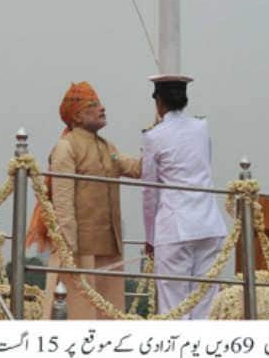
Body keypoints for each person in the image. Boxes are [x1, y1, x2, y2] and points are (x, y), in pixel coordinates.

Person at [26, 81, 141, 319]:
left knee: (109, 314)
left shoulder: (107, 146)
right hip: (78, 251)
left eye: (100, 104)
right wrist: (69, 250)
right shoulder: (65, 148)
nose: (102, 109)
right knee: (79, 313)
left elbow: (135, 168)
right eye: (94, 105)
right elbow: (63, 204)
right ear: (77, 116)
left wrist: (157, 140)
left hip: (109, 247)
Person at [141, 74, 226, 319]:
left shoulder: (153, 137)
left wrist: (150, 237)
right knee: (203, 306)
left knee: (174, 308)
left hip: (175, 228)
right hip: (209, 224)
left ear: (158, 102)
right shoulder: (202, 127)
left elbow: (150, 191)